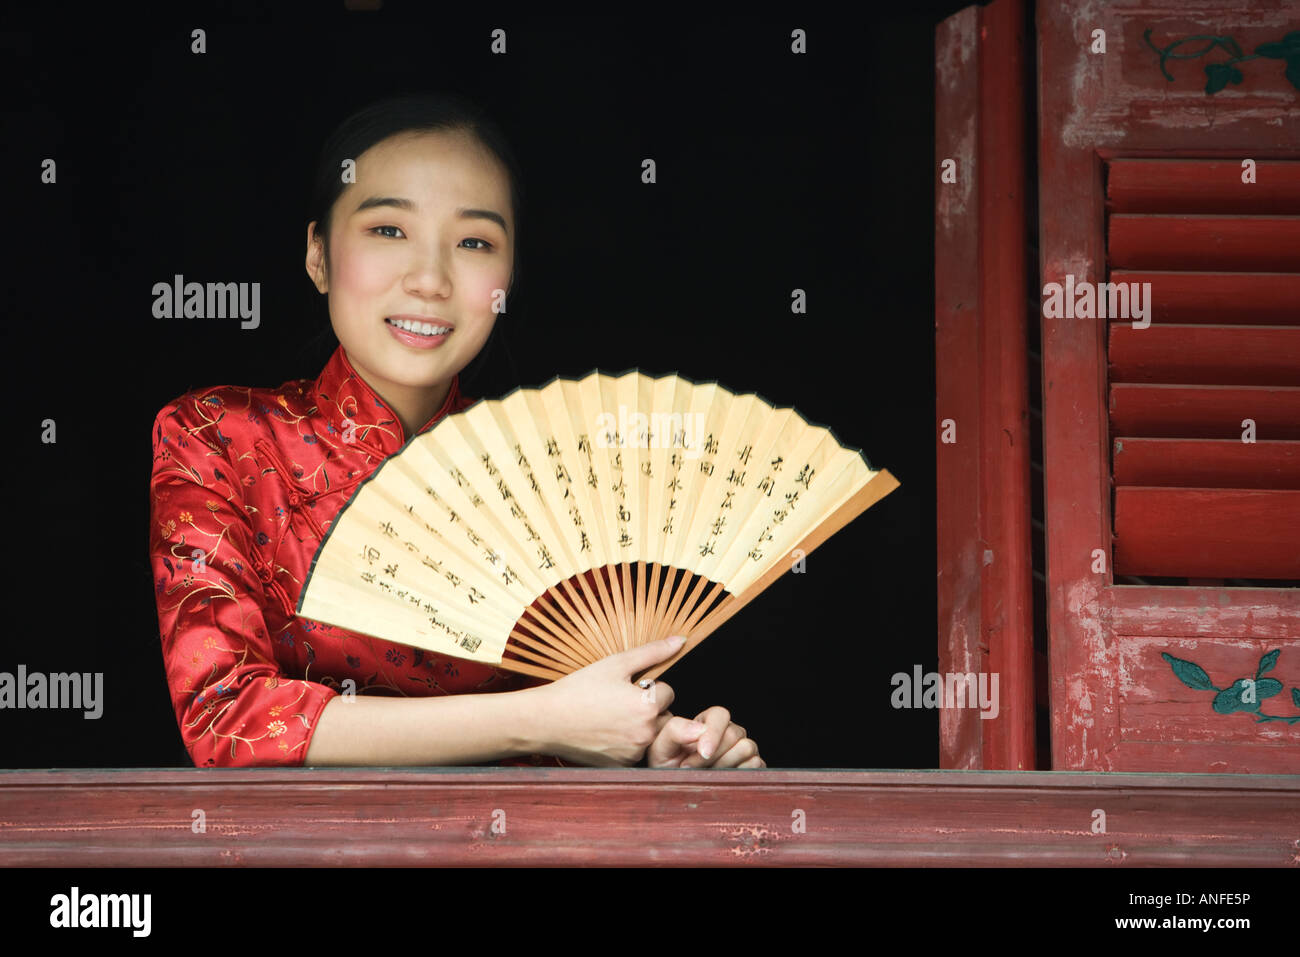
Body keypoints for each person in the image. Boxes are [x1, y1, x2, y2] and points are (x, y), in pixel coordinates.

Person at [148, 92, 764, 771]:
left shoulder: (547, 475)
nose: (430, 279)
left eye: (474, 242)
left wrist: (654, 751)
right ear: (317, 254)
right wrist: (536, 719)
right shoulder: (217, 435)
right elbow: (224, 716)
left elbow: (583, 724)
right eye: (388, 230)